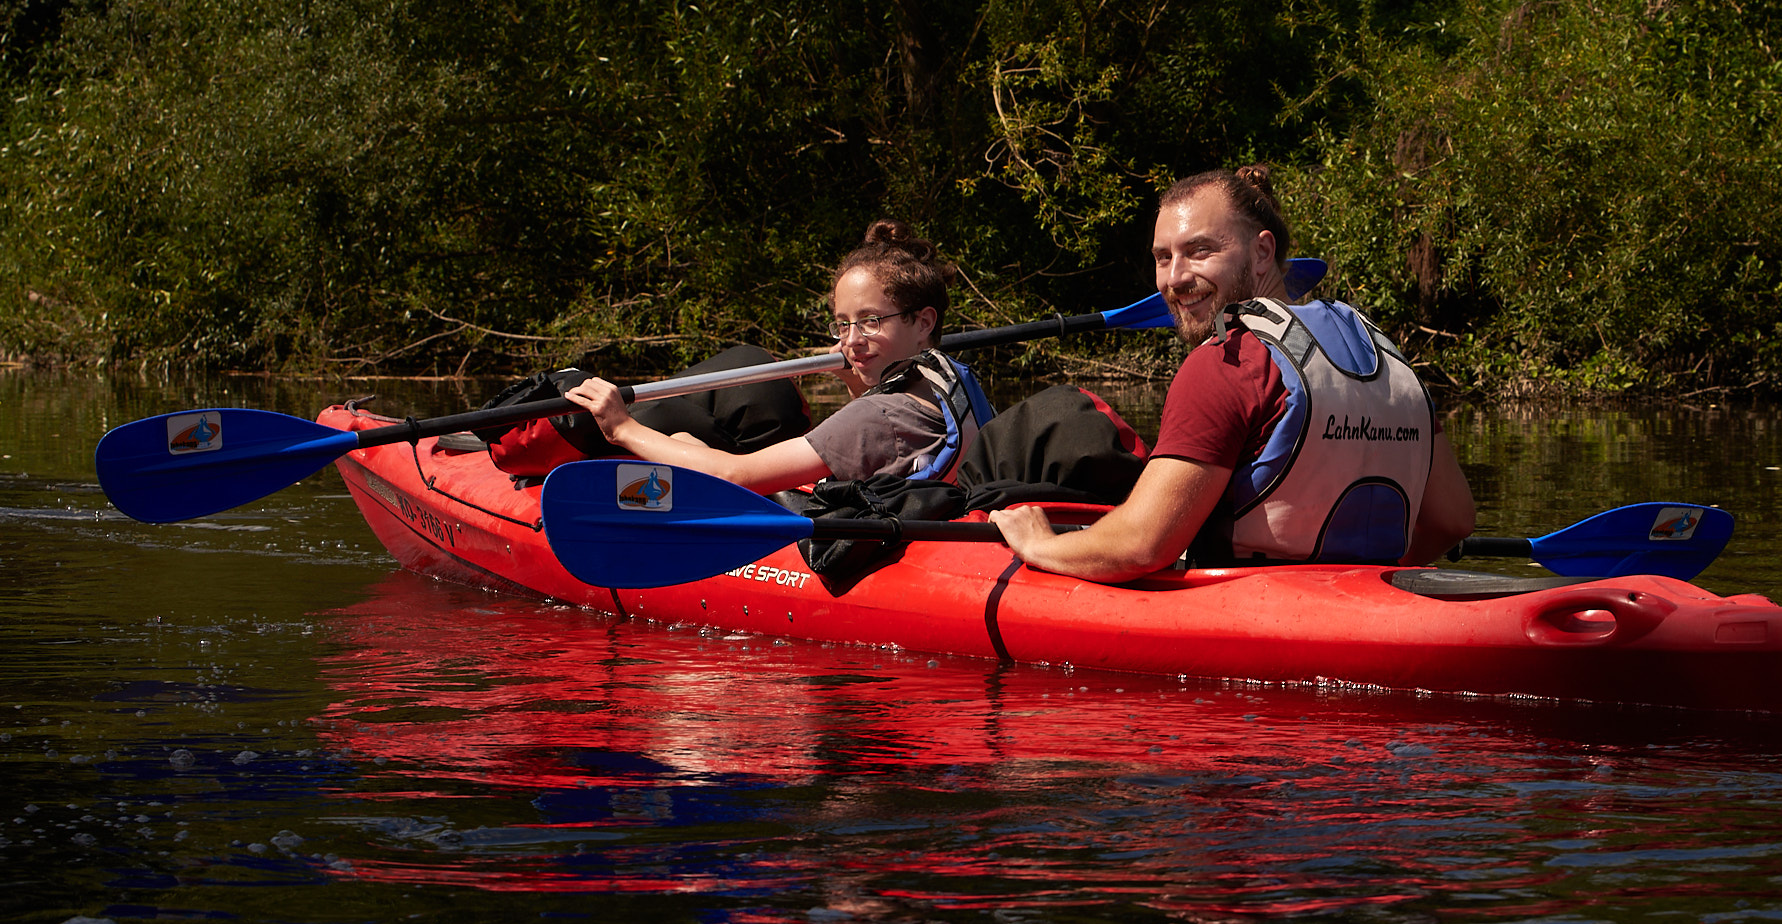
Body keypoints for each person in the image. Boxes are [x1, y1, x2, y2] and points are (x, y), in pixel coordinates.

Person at [989, 164, 1476, 581]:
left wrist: (1039, 545)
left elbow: (1140, 545)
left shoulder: (1227, 362)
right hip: (1368, 601)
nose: (1175, 278)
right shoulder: (1385, 354)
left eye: (1199, 251)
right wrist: (1365, 586)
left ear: (1263, 252)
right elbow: (1453, 519)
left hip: (1254, 612)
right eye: (1163, 257)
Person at [564, 221, 994, 494]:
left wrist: (622, 428)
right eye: (843, 324)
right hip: (923, 510)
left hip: (857, 535)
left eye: (870, 322)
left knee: (682, 441)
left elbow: (737, 476)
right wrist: (855, 384)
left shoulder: (877, 417)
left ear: (923, 322)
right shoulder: (951, 382)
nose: (851, 340)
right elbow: (889, 449)